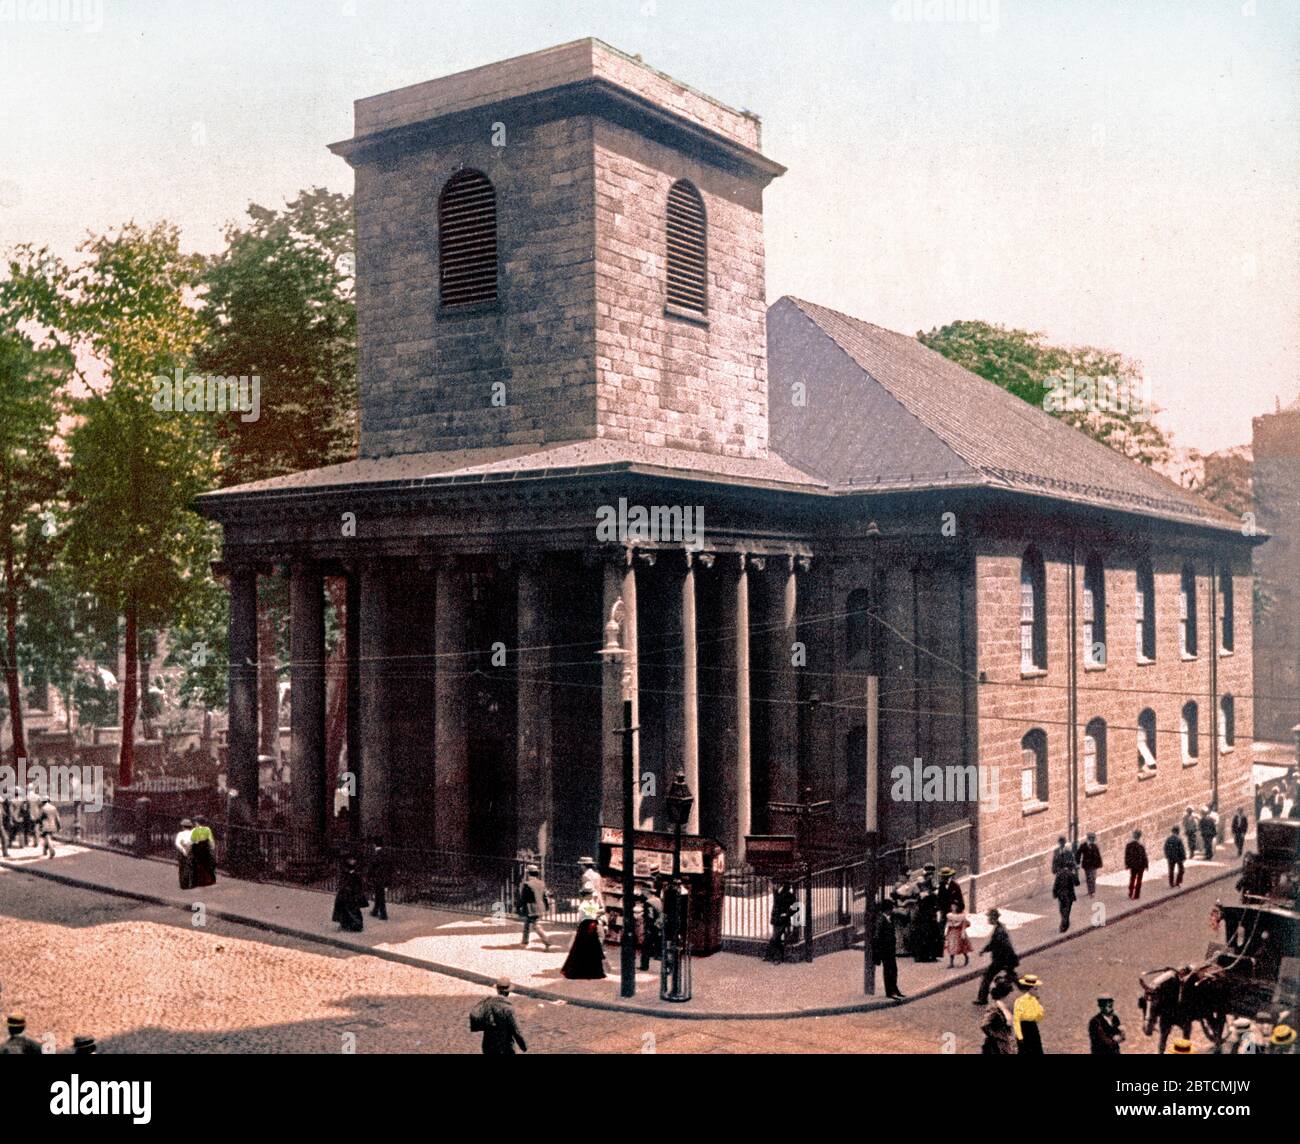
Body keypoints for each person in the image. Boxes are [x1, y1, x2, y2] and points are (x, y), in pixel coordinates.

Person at [470, 978, 527, 1055]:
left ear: (497, 990)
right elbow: (515, 1030)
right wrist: (523, 1046)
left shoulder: (489, 1002)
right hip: (504, 1047)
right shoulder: (508, 1008)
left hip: (488, 1046)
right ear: (508, 992)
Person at [975, 908, 1019, 1005]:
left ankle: (982, 999)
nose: (988, 919)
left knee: (987, 977)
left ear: (993, 918)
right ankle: (1027, 990)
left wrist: (984, 950)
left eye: (989, 917)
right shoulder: (999, 928)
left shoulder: (999, 931)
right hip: (1005, 959)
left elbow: (996, 944)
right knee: (1013, 977)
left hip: (1001, 959)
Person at [561, 888, 607, 979]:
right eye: (590, 894)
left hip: (591, 926)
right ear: (586, 895)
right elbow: (593, 915)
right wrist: (600, 912)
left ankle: (592, 971)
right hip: (586, 927)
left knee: (592, 948)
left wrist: (599, 912)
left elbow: (596, 912)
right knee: (583, 948)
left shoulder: (591, 903)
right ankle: (581, 971)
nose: (591, 895)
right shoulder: (584, 905)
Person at [872, 900, 904, 999]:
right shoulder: (881, 920)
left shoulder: (888, 919)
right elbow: (877, 936)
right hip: (885, 949)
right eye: (891, 909)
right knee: (888, 970)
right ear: (887, 910)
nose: (892, 911)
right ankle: (889, 991)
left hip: (890, 949)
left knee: (893, 969)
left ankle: (894, 989)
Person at [516, 864, 553, 950]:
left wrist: (518, 907)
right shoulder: (541, 883)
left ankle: (547, 941)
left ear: (528, 874)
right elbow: (544, 896)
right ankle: (524, 941)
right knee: (526, 923)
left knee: (536, 926)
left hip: (531, 909)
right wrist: (547, 907)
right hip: (540, 907)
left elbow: (523, 898)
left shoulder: (527, 884)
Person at [980, 978, 1017, 1054]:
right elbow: (984, 1025)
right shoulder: (994, 1008)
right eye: (1009, 993)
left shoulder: (1003, 1005)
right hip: (996, 1046)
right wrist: (997, 1036)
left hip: (1004, 1042)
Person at [331, 856, 367, 932]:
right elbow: (342, 882)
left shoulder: (356, 874)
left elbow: (359, 885)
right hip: (345, 894)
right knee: (344, 910)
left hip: (352, 895)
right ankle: (345, 924)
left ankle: (356, 925)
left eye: (353, 859)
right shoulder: (345, 872)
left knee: (353, 910)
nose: (352, 861)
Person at [766, 881, 797, 964]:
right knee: (776, 938)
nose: (770, 886)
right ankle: (775, 956)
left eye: (772, 884)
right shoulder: (776, 892)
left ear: (778, 884)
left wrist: (787, 914)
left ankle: (776, 957)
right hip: (776, 919)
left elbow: (796, 906)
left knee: (775, 938)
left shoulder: (787, 894)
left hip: (783, 920)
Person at [1013, 975, 1045, 1055]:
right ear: (1029, 989)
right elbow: (1016, 1020)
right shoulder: (1020, 1001)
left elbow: (1039, 1016)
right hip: (1024, 1028)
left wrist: (1039, 1003)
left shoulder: (1034, 1000)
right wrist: (1019, 1036)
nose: (1037, 991)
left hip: (1033, 1027)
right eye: (1035, 989)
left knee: (1037, 1050)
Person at [637, 885, 663, 972]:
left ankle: (644, 965)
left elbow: (650, 915)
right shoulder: (658, 900)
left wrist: (647, 925)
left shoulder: (648, 902)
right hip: (659, 925)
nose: (642, 893)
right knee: (658, 945)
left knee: (646, 946)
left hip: (651, 927)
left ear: (646, 891)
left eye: (643, 891)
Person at [189, 816, 217, 887]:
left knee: (197, 864)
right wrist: (212, 847)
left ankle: (198, 881)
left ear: (197, 823)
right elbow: (211, 839)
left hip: (197, 849)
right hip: (205, 848)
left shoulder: (195, 830)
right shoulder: (207, 829)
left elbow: (192, 840)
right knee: (206, 864)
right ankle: (209, 880)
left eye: (195, 822)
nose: (195, 824)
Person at [368, 838, 390, 920]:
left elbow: (372, 865)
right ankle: (375, 911)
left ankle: (383, 914)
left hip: (378, 877)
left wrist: (369, 875)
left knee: (380, 895)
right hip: (383, 876)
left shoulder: (377, 854)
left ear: (374, 845)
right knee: (378, 894)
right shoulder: (385, 853)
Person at [1124, 830, 1148, 900]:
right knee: (1139, 880)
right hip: (1140, 866)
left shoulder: (1129, 845)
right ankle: (1136, 895)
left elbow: (1127, 856)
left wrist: (1127, 865)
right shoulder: (1141, 846)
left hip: (1133, 865)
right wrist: (1146, 865)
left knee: (1132, 878)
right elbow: (1144, 856)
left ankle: (1131, 892)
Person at [1052, 863, 1076, 932]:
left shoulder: (1059, 874)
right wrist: (1074, 874)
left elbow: (1055, 885)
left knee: (1062, 910)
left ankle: (1065, 925)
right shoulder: (1070, 874)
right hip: (1069, 895)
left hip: (1061, 895)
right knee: (1067, 910)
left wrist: (1054, 893)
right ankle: (1064, 926)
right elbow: (1077, 883)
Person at [174, 818, 195, 890]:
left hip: (182, 852)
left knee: (182, 868)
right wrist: (189, 846)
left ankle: (183, 884)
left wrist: (183, 850)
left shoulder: (180, 834)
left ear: (183, 826)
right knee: (191, 867)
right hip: (191, 852)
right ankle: (191, 883)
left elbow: (177, 843)